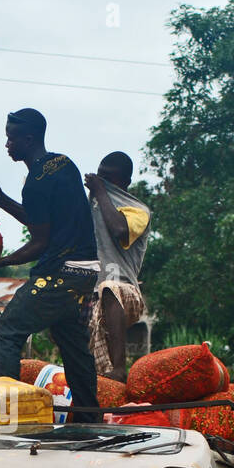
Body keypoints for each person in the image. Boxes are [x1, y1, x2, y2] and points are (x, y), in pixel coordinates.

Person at [0, 108, 102, 422]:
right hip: (85, 271)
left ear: (28, 139)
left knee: (6, 333)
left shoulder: (35, 183)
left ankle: (6, 419)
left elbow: (39, 243)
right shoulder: (64, 164)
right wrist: (1, 200)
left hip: (61, 272)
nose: (7, 145)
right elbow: (42, 224)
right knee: (71, 342)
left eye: (11, 139)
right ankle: (89, 418)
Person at [83, 152, 151, 383]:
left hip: (125, 294)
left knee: (109, 286)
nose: (101, 183)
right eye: (99, 177)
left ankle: (121, 368)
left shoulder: (138, 210)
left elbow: (119, 230)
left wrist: (101, 191)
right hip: (93, 297)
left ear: (124, 184)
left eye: (108, 179)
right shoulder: (90, 207)